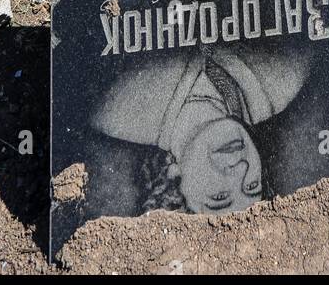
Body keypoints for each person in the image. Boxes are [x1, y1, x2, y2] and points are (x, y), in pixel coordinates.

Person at [92, 46, 310, 215]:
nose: (242, 169)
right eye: (253, 186)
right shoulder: (288, 76)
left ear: (173, 178)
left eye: (219, 197)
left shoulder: (113, 110)